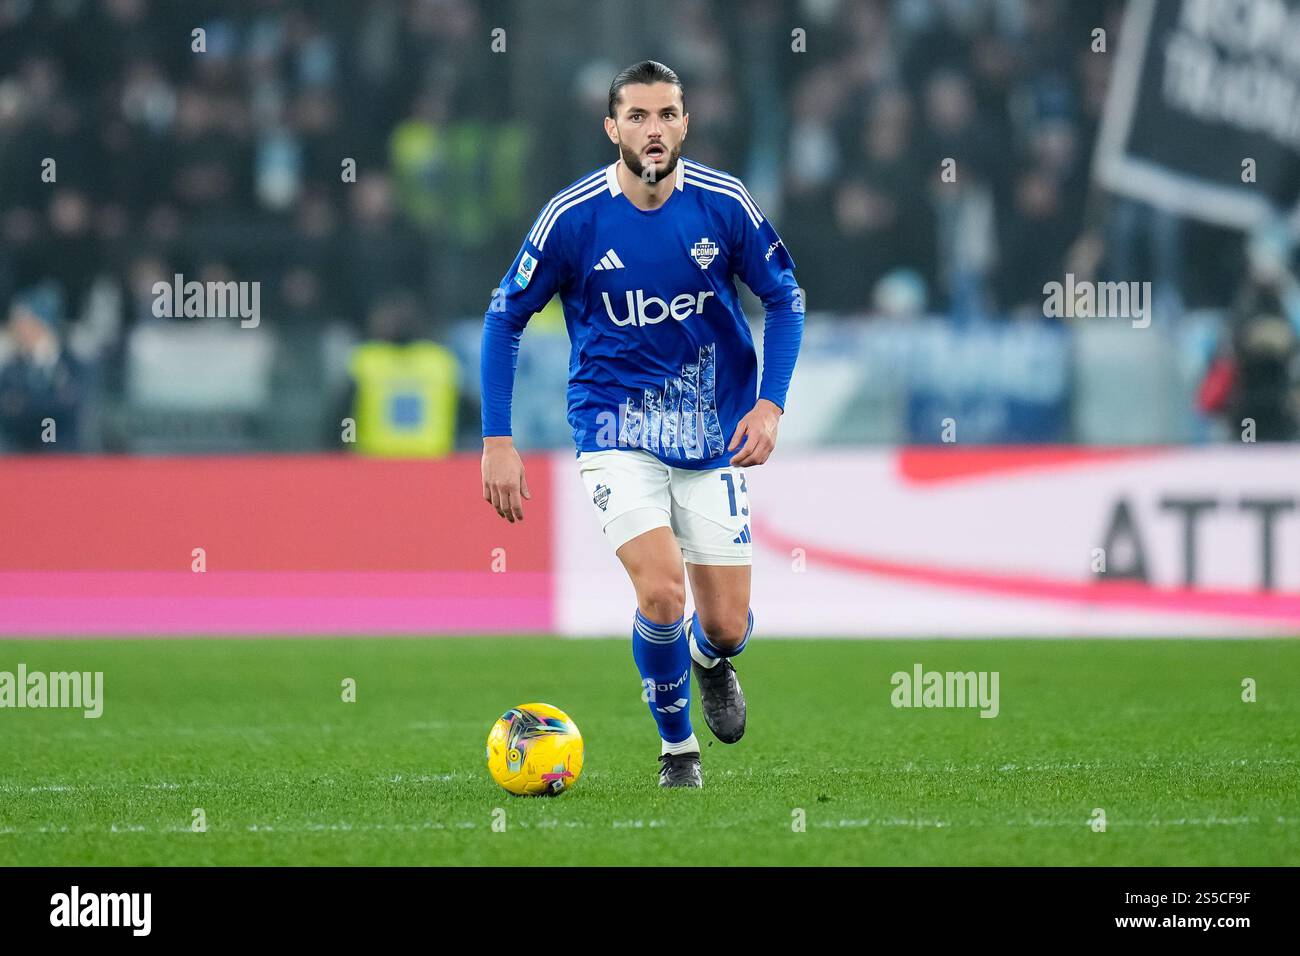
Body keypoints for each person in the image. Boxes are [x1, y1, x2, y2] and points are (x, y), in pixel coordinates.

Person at [479, 61, 804, 788]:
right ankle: (677, 749)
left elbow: (786, 298)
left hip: (712, 437)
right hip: (614, 430)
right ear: (612, 128)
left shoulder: (724, 204)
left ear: (685, 124)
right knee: (661, 592)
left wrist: (770, 403)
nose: (652, 130)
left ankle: (709, 659)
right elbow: (505, 318)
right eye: (637, 117)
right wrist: (497, 439)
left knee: (723, 624)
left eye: (666, 116)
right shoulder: (573, 217)